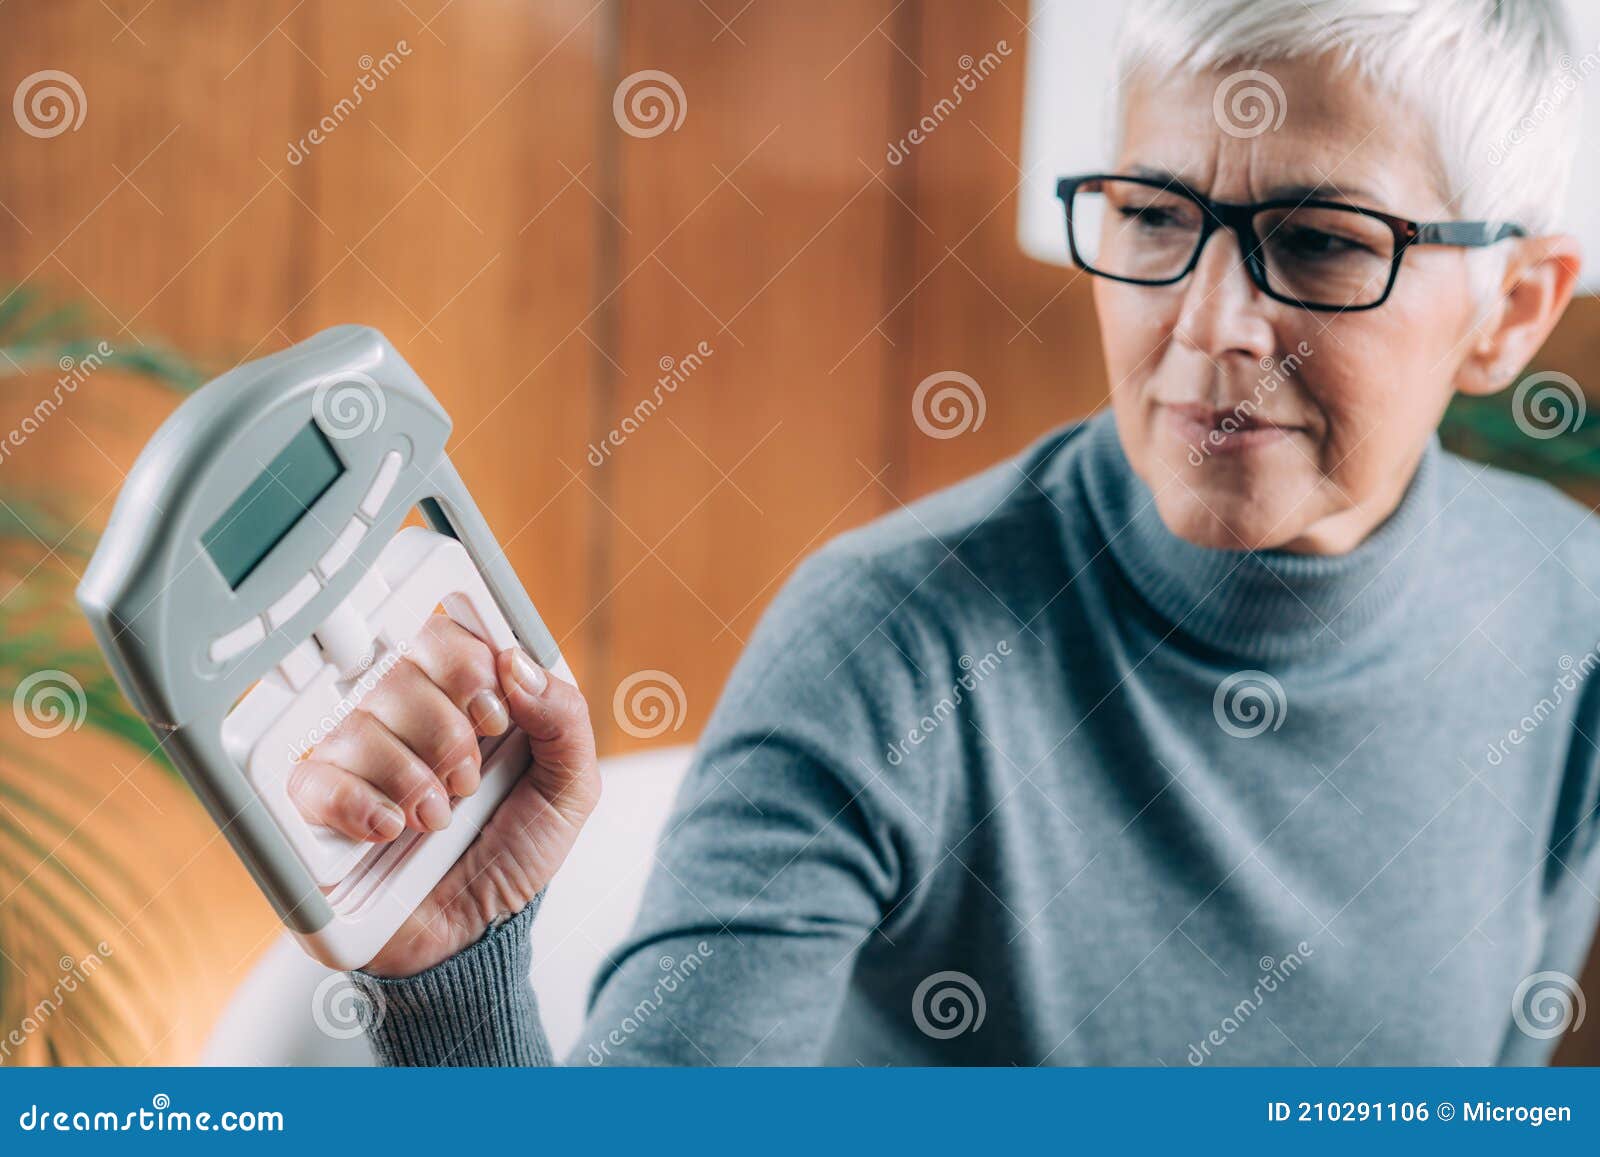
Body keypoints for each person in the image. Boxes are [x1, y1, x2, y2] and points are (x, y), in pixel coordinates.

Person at [294, 0, 1600, 1064]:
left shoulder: (1570, 610)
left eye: (1317, 242)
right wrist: (455, 981)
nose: (1209, 327)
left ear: (1511, 311)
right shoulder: (894, 643)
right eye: (1152, 215)